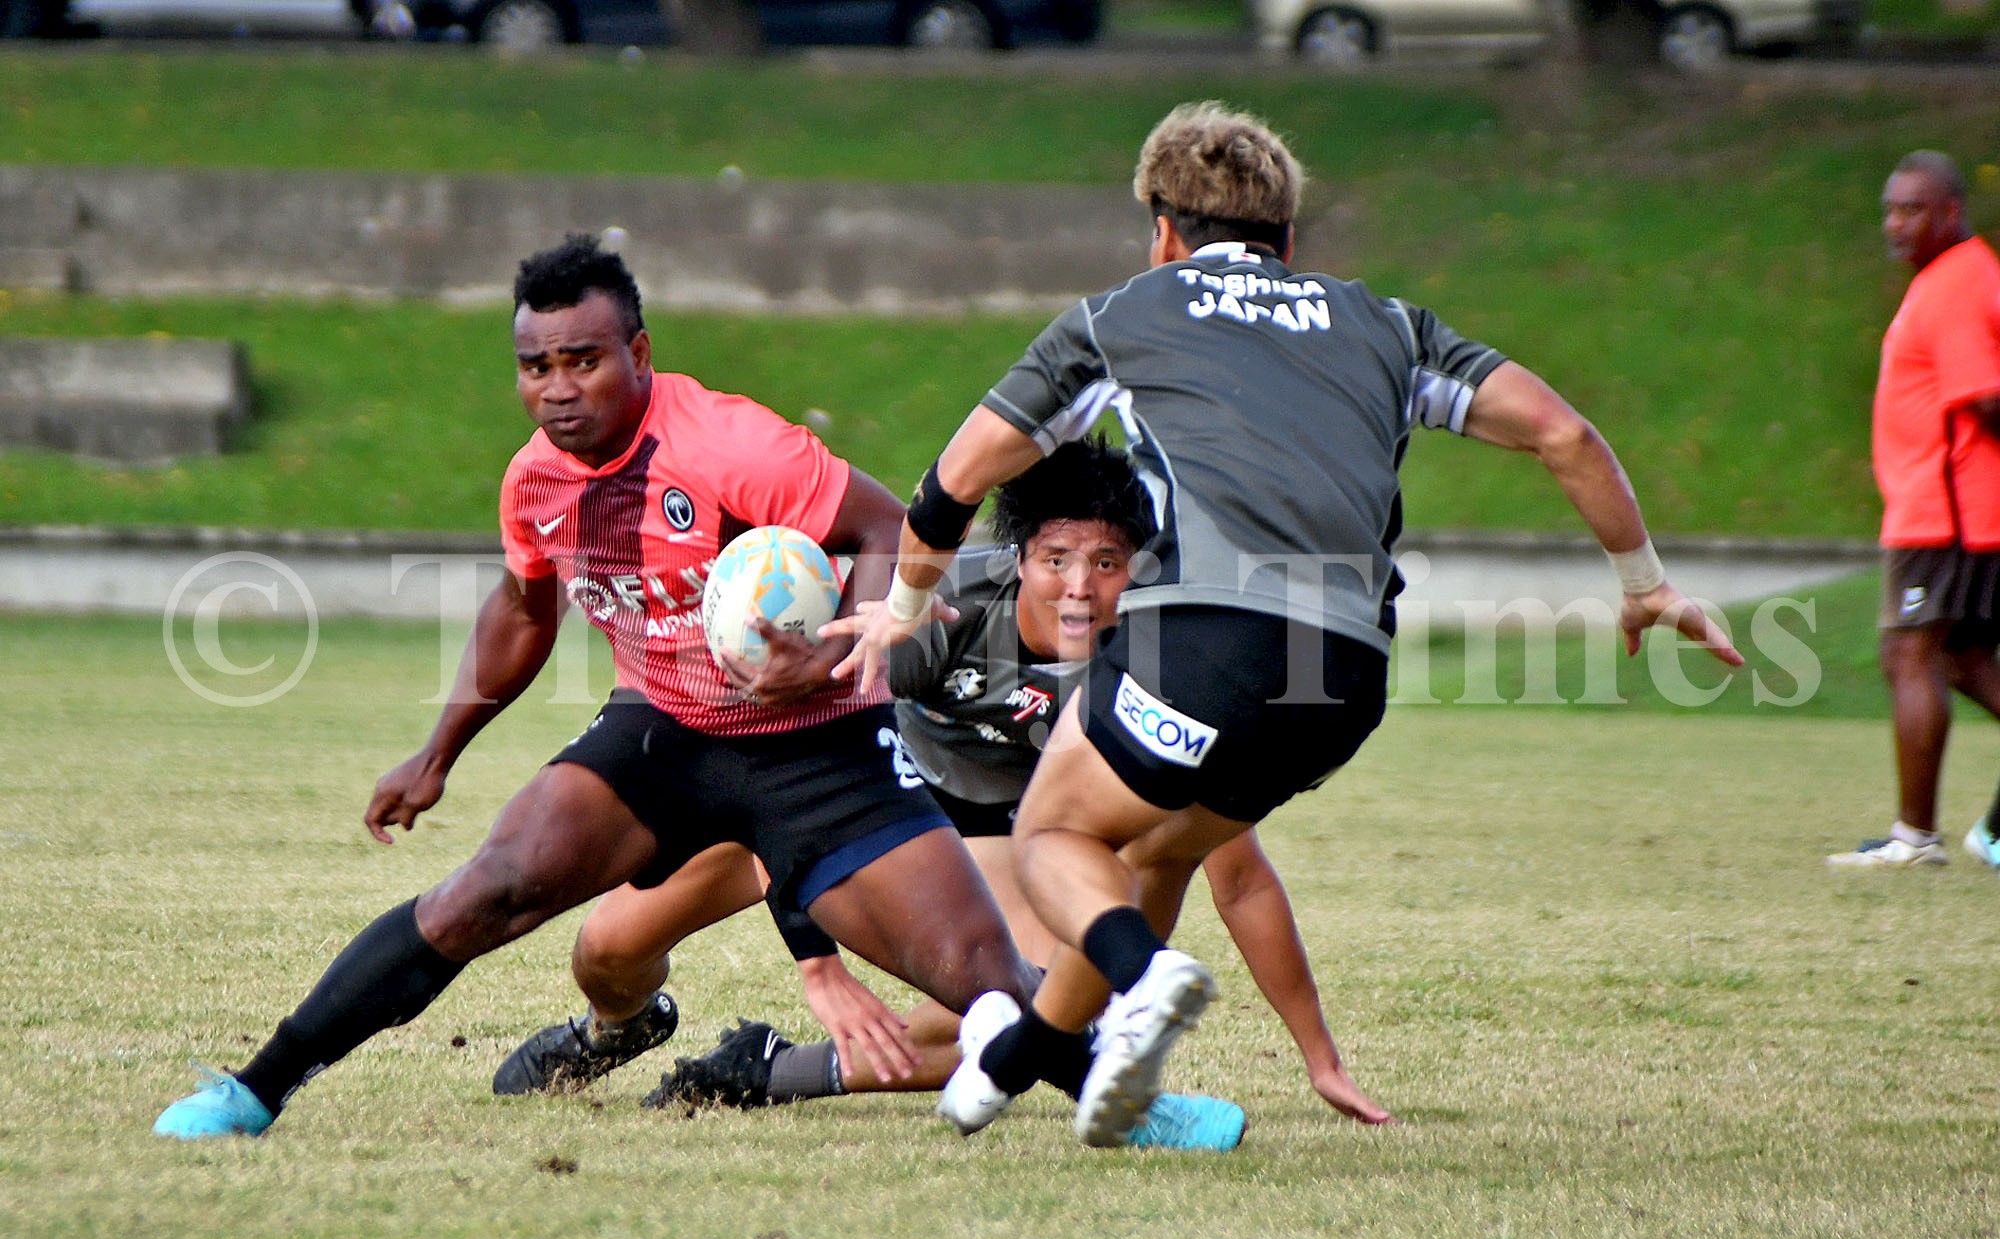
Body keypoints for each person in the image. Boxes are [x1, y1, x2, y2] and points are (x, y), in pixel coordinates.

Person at [828, 101, 1744, 1149]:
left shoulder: (1124, 313)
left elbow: (954, 482)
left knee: (1053, 832)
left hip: (1210, 636)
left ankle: (1141, 984)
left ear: (1162, 231)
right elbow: (1561, 433)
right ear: (1289, 240)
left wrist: (901, 609)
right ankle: (1028, 1061)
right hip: (1345, 676)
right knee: (1163, 850)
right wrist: (1642, 582)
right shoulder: (1389, 327)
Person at [152, 233, 1038, 1139]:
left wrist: (837, 652)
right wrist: (438, 751)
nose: (558, 387)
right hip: (662, 733)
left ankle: (1160, 1110)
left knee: (989, 982)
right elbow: (525, 611)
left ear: (639, 354)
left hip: (818, 747)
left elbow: (889, 525)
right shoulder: (535, 479)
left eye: (583, 360)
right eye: (536, 366)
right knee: (487, 891)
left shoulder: (732, 443)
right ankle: (254, 1088)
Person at [493, 438, 1389, 1148]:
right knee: (608, 943)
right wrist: (818, 957)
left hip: (1011, 840)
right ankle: (614, 1026)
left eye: (1109, 561)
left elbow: (1236, 869)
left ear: (1143, 568)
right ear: (1019, 556)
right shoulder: (950, 605)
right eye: (1057, 557)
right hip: (868, 797)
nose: (1080, 585)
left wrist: (1319, 1056)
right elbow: (802, 752)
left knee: (1015, 1010)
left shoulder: (1162, 668)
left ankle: (761, 1069)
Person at [1828, 150, 2000, 871]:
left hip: (1948, 510)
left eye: (1914, 208)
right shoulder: (1952, 279)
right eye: (1891, 209)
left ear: (1952, 212)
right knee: (1961, 656)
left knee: (1911, 651)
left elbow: (1986, 397)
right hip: (1949, 506)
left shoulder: (1957, 285)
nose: (1896, 223)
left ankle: (1914, 838)